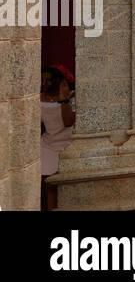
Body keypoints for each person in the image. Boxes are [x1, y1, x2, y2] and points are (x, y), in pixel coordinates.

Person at [40, 66, 75, 209]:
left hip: (60, 146)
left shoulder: (71, 99)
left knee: (61, 187)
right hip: (53, 148)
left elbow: (67, 122)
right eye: (64, 84)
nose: (67, 87)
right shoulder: (41, 101)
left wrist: (62, 99)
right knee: (51, 188)